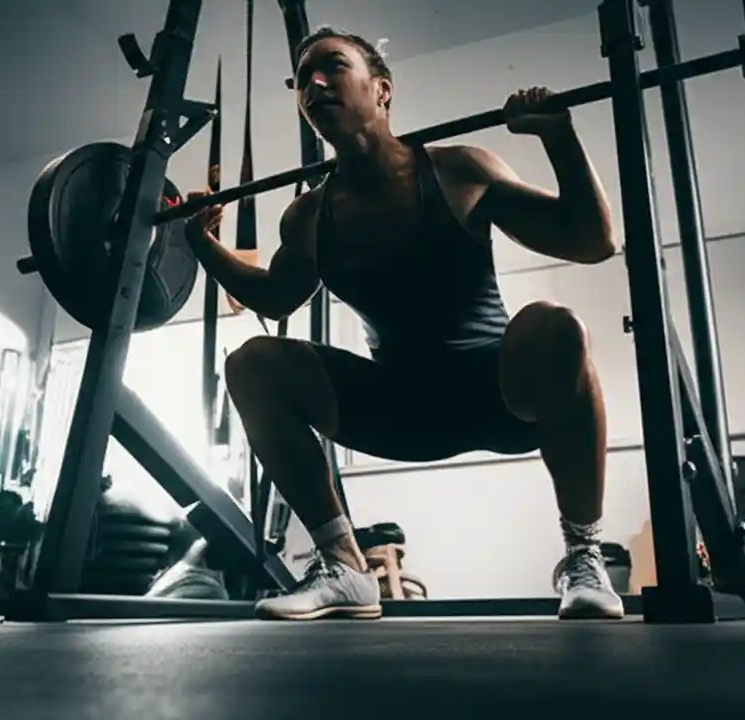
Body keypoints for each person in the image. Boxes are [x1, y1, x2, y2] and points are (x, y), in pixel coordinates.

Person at [184, 26, 622, 621]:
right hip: (400, 408)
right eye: (303, 78)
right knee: (253, 363)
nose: (313, 84)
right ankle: (344, 566)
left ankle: (584, 557)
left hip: (499, 393)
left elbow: (593, 240)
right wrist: (202, 243)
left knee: (555, 325)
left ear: (381, 89)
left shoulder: (460, 170)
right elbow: (277, 299)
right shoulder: (310, 214)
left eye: (332, 67)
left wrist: (559, 137)